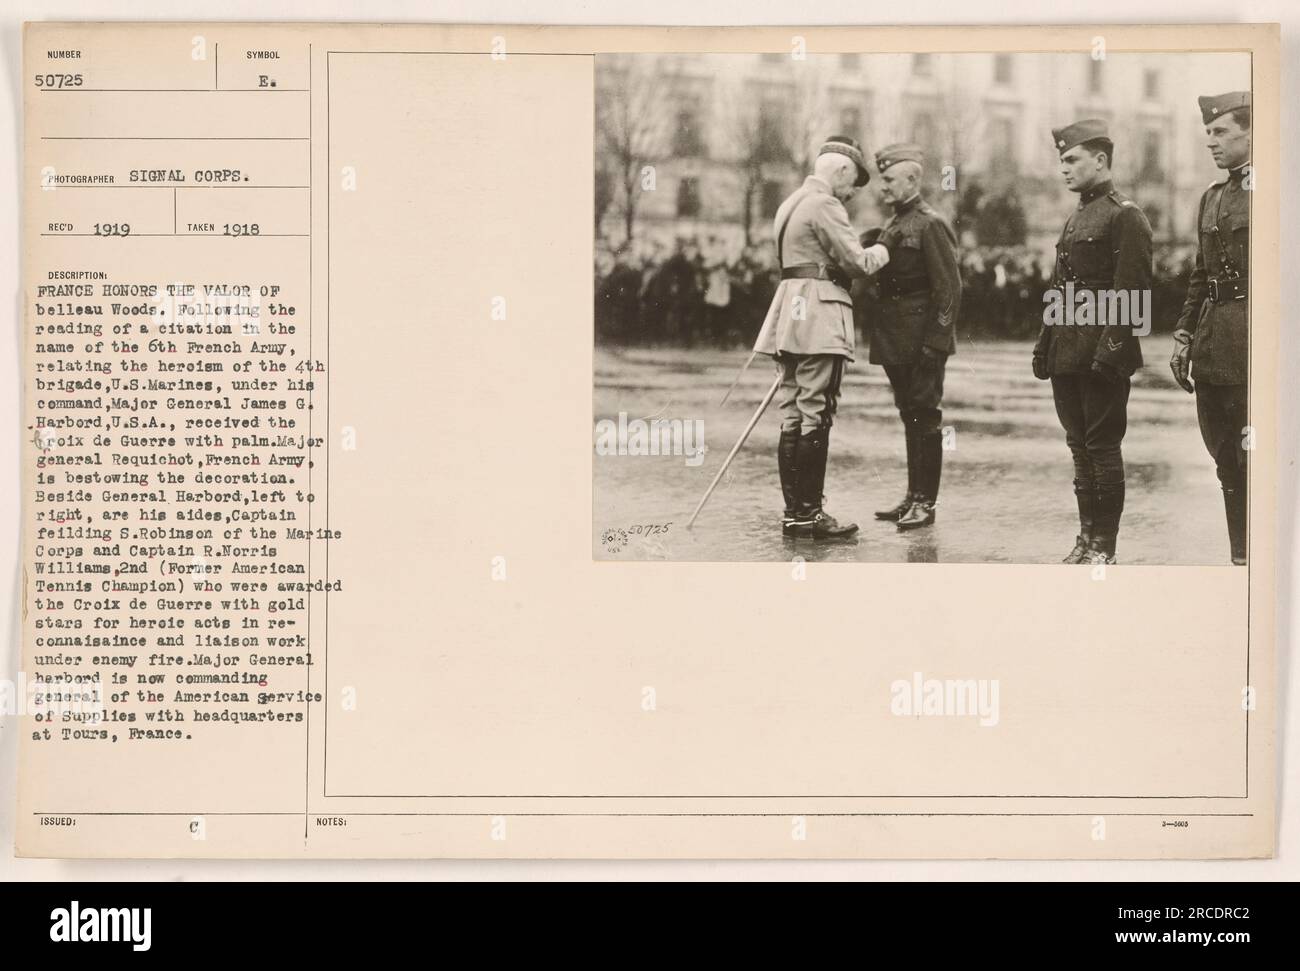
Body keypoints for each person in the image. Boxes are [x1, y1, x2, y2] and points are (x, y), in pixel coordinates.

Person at [751, 134, 890, 538]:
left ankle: (796, 513)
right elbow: (859, 263)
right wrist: (883, 247)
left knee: (793, 410)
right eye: (852, 183)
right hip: (819, 316)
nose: (850, 193)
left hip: (788, 314)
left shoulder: (789, 203)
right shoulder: (825, 204)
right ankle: (810, 514)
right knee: (818, 412)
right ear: (842, 171)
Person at [1033, 119, 1152, 564]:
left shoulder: (1125, 215)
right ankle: (1085, 539)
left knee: (1102, 448)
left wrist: (1112, 354)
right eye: (1061, 160)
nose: (1063, 169)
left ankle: (1105, 545)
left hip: (1102, 355)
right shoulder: (1076, 216)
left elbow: (1134, 292)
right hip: (1067, 351)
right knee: (1078, 448)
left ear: (1100, 160)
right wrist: (1045, 344)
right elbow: (1058, 286)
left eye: (1071, 160)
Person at [1170, 91, 1251, 565]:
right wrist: (1183, 337)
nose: (1211, 143)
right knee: (1224, 457)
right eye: (1207, 135)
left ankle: (1265, 566)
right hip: (1214, 345)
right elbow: (1201, 275)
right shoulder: (1212, 197)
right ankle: (1240, 558)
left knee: (1254, 458)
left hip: (1254, 346)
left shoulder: (1278, 193)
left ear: (1252, 132)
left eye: (1221, 132)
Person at [866, 143, 962, 530]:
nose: (882, 187)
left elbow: (949, 289)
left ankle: (926, 502)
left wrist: (935, 343)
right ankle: (912, 496)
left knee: (925, 416)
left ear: (911, 179)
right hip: (895, 338)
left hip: (921, 340)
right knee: (910, 415)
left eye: (888, 179)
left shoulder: (929, 223)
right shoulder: (894, 223)